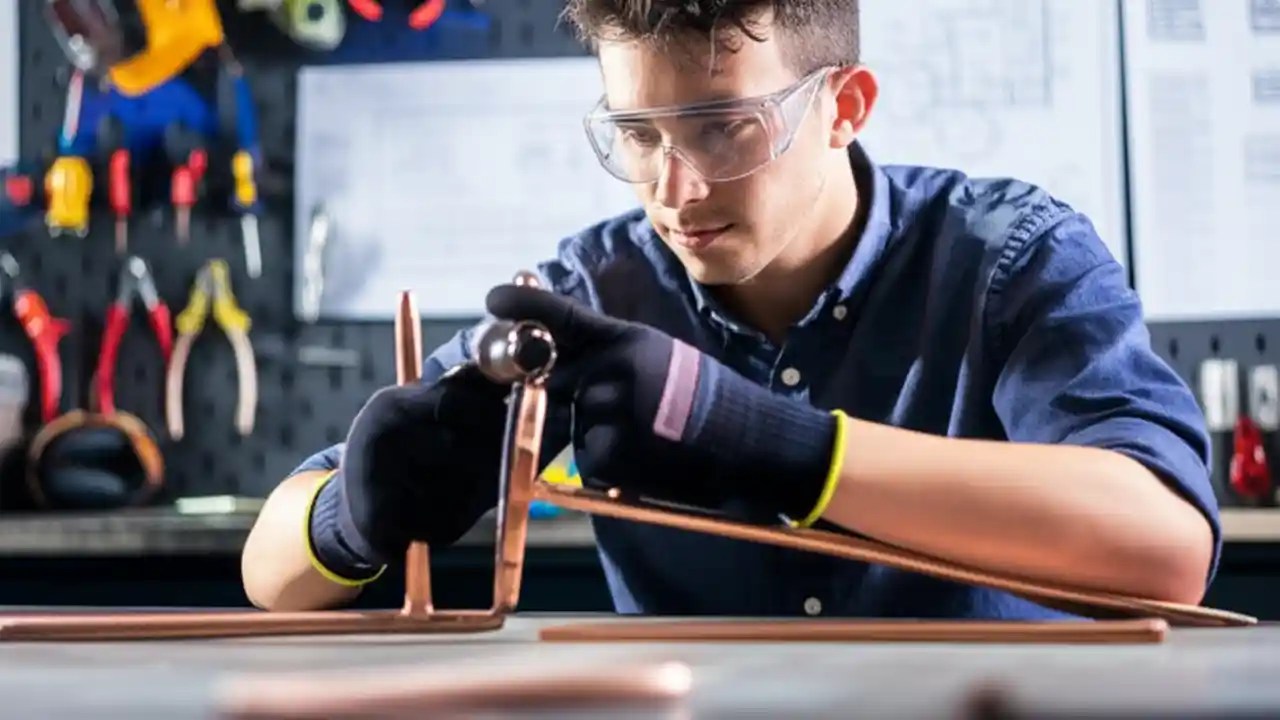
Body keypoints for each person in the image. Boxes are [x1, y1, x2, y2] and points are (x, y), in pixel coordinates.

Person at [241, 0, 1220, 618]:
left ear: (844, 106)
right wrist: (351, 519)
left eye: (722, 130)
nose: (675, 189)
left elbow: (1167, 550)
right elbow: (266, 573)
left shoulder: (1010, 260)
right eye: (636, 135)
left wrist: (763, 438)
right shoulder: (591, 297)